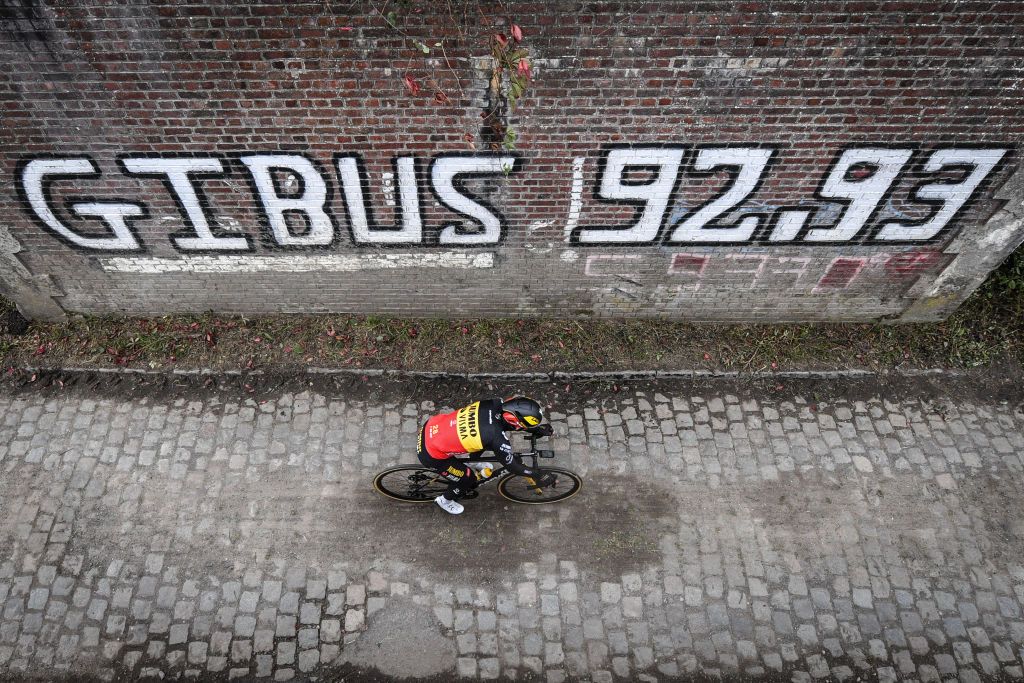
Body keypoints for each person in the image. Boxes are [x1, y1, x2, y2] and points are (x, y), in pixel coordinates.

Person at [418, 395, 555, 514]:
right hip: (431, 454)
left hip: (432, 426)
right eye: (523, 426)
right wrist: (538, 474)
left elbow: (503, 423)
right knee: (467, 479)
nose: (522, 428)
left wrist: (536, 429)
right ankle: (445, 500)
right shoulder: (496, 438)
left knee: (481, 437)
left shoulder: (495, 403)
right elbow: (513, 467)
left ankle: (474, 462)